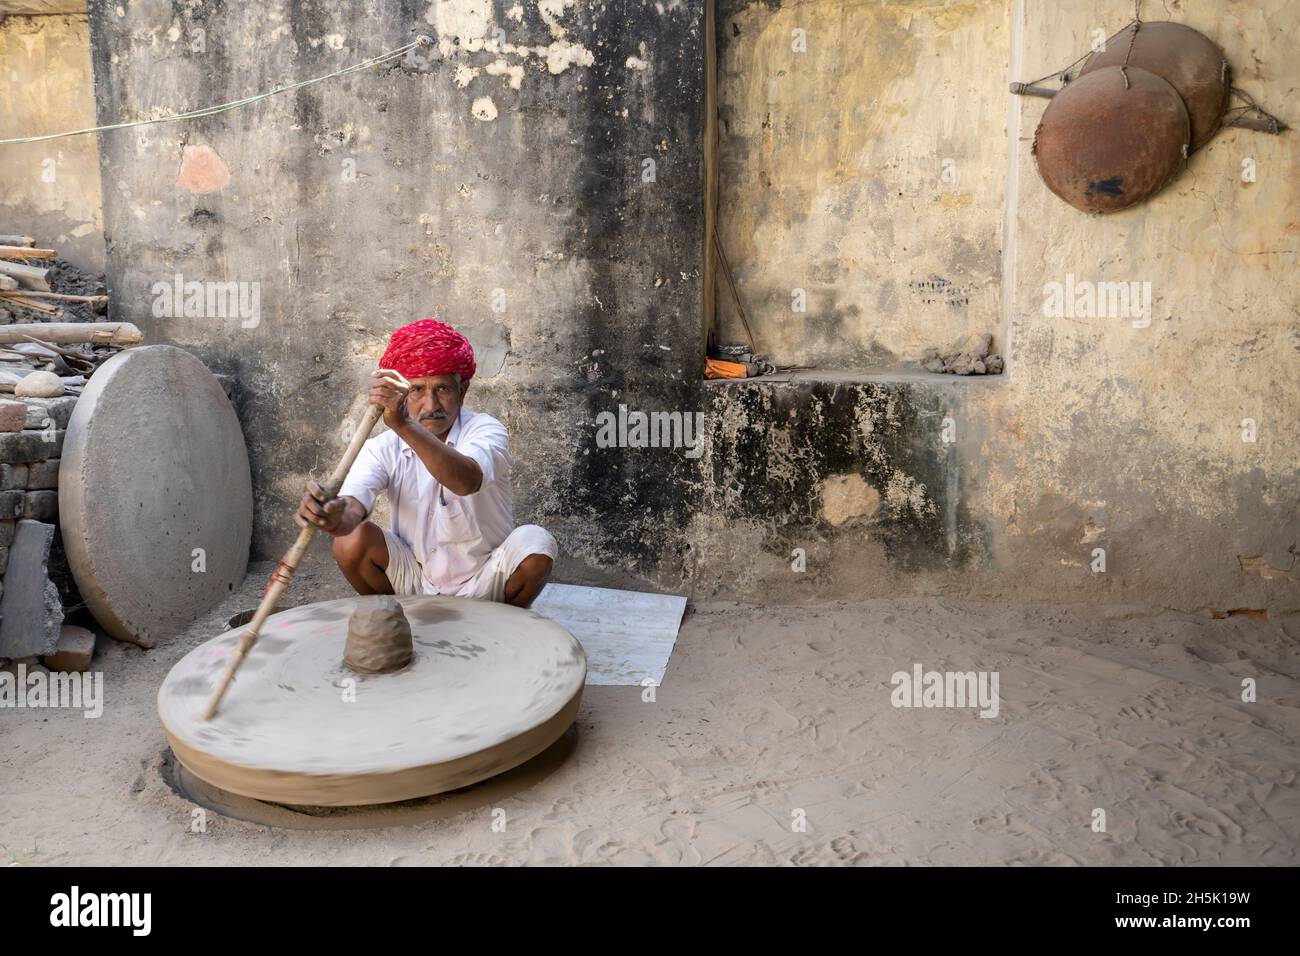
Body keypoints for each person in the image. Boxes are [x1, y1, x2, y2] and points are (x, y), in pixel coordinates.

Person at [296, 318, 556, 608]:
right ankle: (401, 618)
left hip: (487, 578)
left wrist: (405, 425)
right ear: (402, 395)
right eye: (417, 390)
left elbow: (466, 480)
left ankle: (502, 622)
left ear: (463, 390)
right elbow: (353, 510)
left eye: (442, 389)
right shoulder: (381, 448)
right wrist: (333, 519)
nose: (430, 405)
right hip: (415, 580)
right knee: (350, 542)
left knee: (536, 544)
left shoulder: (486, 430)